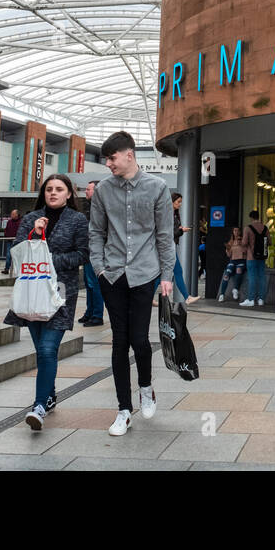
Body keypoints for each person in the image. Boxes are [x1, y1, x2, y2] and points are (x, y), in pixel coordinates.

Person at [88, 131, 174, 437]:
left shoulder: (157, 187)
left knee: (140, 339)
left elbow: (165, 235)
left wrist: (166, 275)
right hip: (111, 275)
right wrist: (98, 268)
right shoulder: (102, 191)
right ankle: (124, 410)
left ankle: (146, 387)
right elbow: (96, 232)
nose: (108, 164)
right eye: (106, 159)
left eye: (112, 158)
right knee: (119, 341)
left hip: (144, 273)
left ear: (129, 155)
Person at [4, 174, 89, 431]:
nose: (53, 193)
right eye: (49, 189)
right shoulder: (31, 218)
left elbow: (83, 254)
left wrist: (50, 260)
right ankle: (50, 395)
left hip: (61, 292)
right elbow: (17, 251)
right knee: (41, 348)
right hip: (32, 292)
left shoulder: (77, 220)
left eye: (59, 189)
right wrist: (35, 234)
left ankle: (39, 406)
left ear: (68, 194)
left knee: (48, 349)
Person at [78, 181, 104, 325]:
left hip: (95, 253)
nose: (86, 192)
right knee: (89, 284)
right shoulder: (91, 207)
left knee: (95, 285)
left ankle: (97, 315)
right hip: (88, 251)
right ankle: (90, 312)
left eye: (88, 189)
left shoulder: (99, 207)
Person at [169, 192, 201, 305]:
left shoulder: (174, 214)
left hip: (170, 246)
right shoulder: (168, 214)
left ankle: (187, 297)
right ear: (172, 201)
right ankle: (187, 297)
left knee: (163, 273)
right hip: (167, 247)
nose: (180, 204)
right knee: (177, 271)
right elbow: (169, 233)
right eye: (178, 202)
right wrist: (181, 230)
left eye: (181, 202)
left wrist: (180, 229)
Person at [240, 210, 269, 307]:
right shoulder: (265, 228)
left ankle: (251, 299)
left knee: (252, 277)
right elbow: (269, 242)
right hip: (262, 257)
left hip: (251, 257)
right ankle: (261, 299)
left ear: (251, 218)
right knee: (262, 277)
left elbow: (244, 243)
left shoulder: (248, 228)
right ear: (258, 217)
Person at [218, 222, 251, 303]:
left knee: (239, 270)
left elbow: (246, 252)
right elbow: (229, 255)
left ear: (240, 232)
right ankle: (222, 294)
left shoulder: (243, 240)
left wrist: (242, 245)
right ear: (232, 232)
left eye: (237, 231)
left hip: (241, 261)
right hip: (233, 261)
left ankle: (235, 289)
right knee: (227, 273)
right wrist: (228, 249)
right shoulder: (231, 241)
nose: (236, 232)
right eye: (234, 231)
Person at [2, 208, 21, 274]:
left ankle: (19, 270)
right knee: (8, 255)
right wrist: (6, 236)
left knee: (18, 256)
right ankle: (7, 269)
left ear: (17, 215)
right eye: (11, 214)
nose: (11, 215)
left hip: (17, 241)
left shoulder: (21, 222)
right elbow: (6, 229)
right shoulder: (9, 221)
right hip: (9, 240)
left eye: (13, 214)